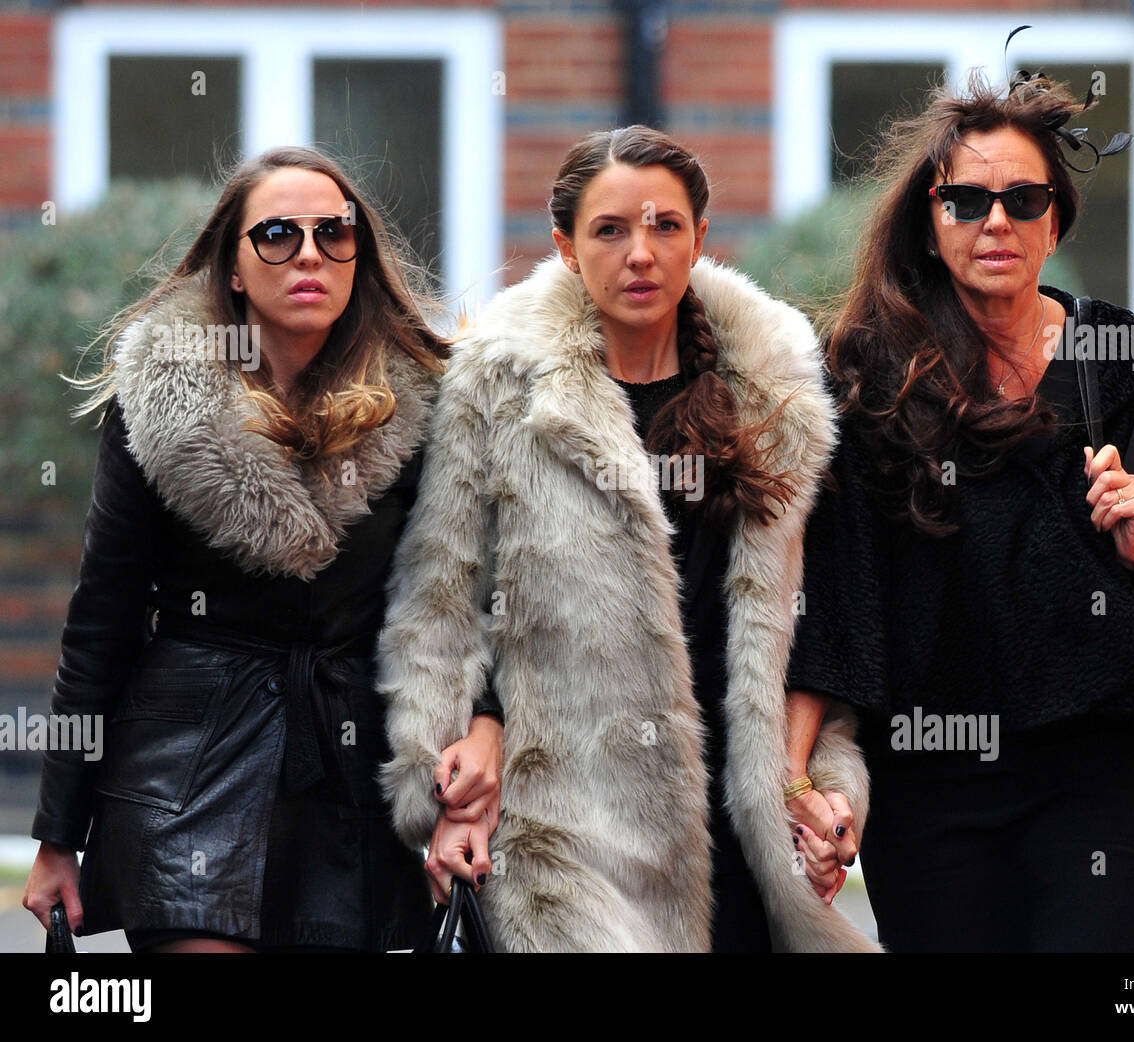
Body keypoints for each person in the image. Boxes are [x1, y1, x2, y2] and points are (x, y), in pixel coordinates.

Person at [785, 72, 1134, 952]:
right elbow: (836, 604)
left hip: (1085, 774)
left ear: (1055, 218)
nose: (993, 221)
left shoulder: (1115, 360)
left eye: (1021, 198)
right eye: (965, 200)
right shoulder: (869, 381)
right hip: (927, 780)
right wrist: (794, 779)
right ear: (930, 222)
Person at [377, 125, 875, 952]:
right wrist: (448, 790)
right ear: (566, 248)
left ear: (700, 239)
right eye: (610, 230)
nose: (640, 253)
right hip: (567, 820)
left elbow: (826, 614)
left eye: (664, 226)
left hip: (742, 815)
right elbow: (442, 602)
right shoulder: (495, 381)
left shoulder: (777, 386)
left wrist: (809, 782)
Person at [21, 146, 476, 952]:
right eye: (275, 234)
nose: (308, 254)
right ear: (233, 268)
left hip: (349, 774)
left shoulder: (428, 409)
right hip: (186, 766)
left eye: (334, 234)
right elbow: (101, 622)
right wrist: (58, 835)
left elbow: (458, 603)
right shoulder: (161, 410)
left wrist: (471, 752)